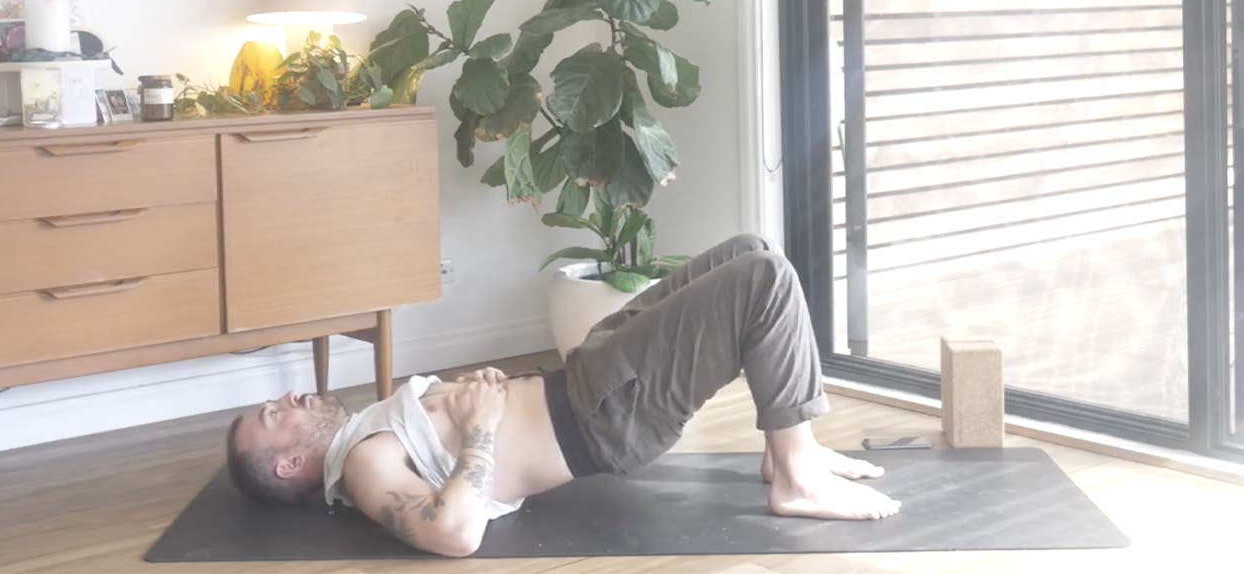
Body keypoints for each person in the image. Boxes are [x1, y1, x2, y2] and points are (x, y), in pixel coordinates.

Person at [226, 234, 901, 558]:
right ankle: (796, 478)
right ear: (288, 464)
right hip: (606, 412)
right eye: (273, 416)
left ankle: (790, 447)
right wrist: (484, 426)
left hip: (588, 373)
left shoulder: (368, 431)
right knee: (764, 281)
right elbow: (456, 536)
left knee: (747, 251)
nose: (288, 396)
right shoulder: (365, 464)